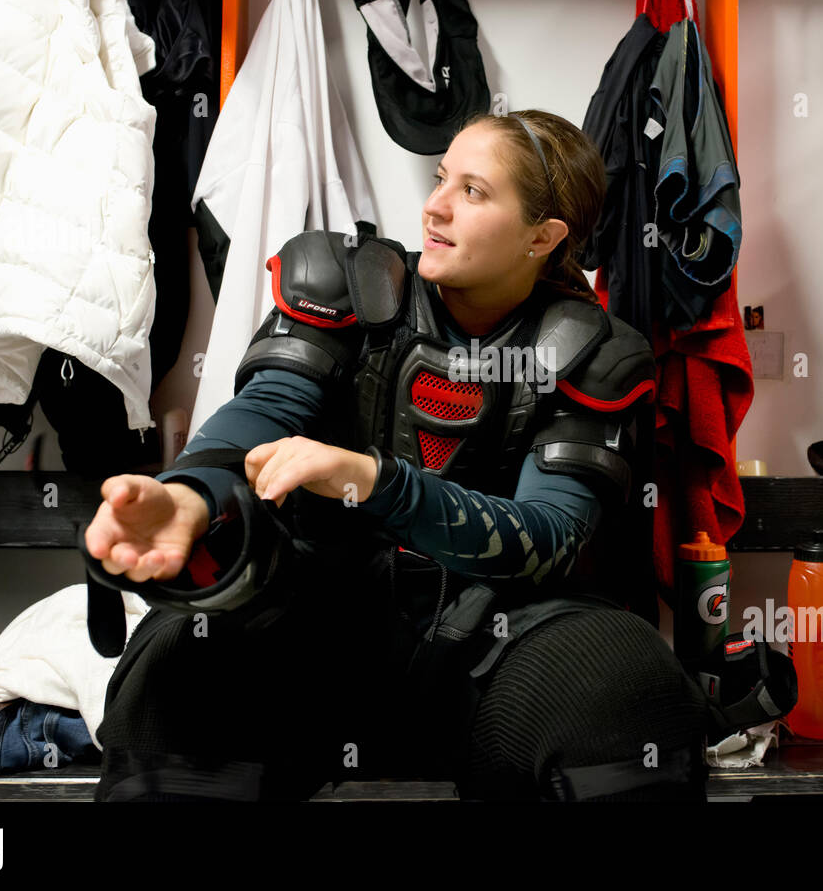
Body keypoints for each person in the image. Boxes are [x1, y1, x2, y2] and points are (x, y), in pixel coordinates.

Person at [83, 109, 710, 802]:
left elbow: (546, 539)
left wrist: (377, 483)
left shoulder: (595, 354)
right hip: (317, 644)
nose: (435, 205)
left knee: (631, 689)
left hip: (494, 654)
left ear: (543, 235)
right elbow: (260, 416)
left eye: (474, 191)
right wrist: (194, 494)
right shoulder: (340, 292)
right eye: (442, 178)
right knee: (176, 662)